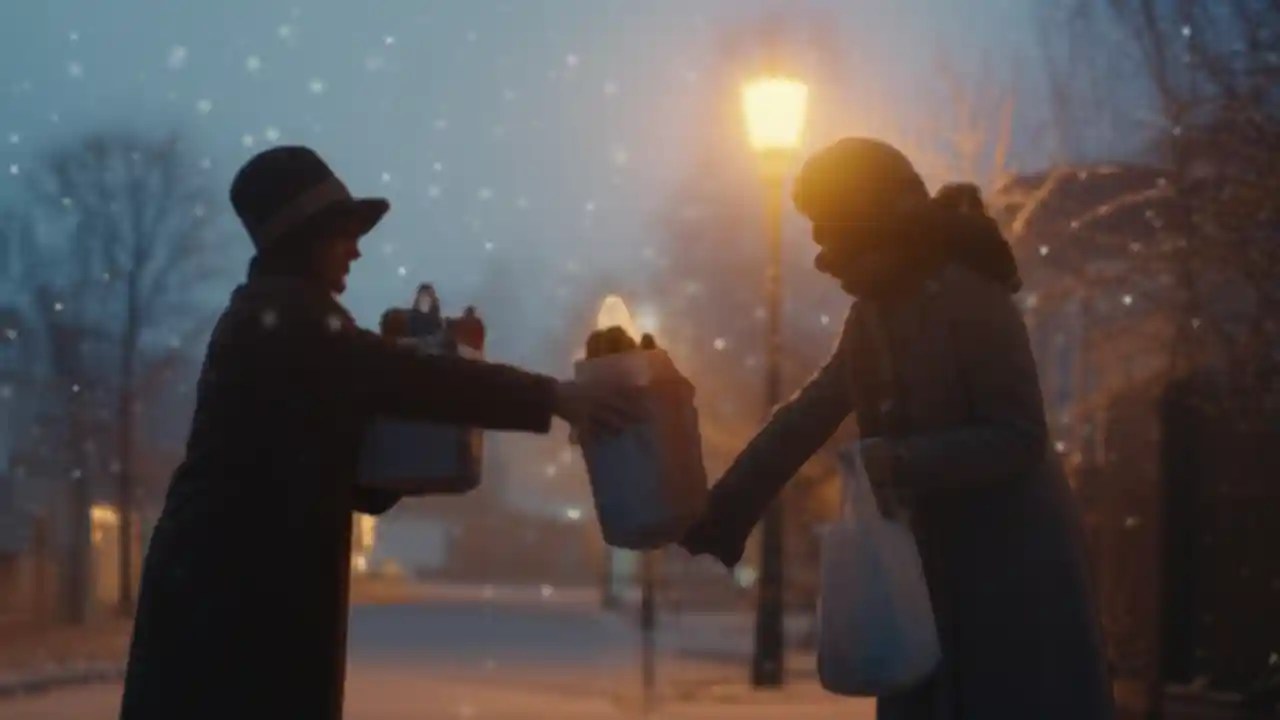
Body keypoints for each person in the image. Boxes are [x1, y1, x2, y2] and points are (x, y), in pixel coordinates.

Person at [119, 146, 641, 720]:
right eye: (343, 232)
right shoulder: (284, 319)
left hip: (237, 600)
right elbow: (405, 380)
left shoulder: (287, 320)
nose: (357, 249)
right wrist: (554, 397)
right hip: (232, 609)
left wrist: (438, 424)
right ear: (305, 238)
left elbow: (362, 476)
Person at [679, 138, 1114, 719]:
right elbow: (808, 416)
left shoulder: (969, 293)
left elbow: (1019, 435)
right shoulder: (876, 309)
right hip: (925, 574)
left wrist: (898, 461)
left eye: (830, 223)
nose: (822, 245)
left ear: (870, 213)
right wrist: (725, 510)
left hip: (1009, 576)